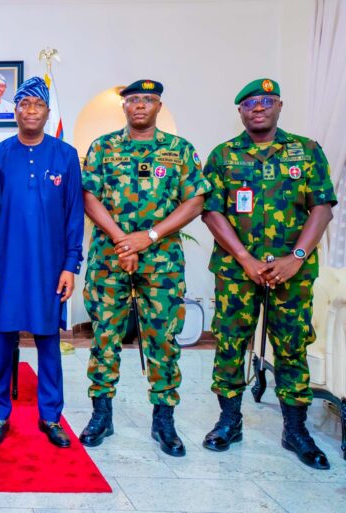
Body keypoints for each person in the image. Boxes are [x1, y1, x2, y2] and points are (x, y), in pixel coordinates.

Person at [201, 78, 336, 470]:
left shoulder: (306, 150)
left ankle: (295, 430)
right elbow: (212, 211)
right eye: (249, 103)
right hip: (235, 270)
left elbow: (322, 206)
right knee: (229, 344)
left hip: (290, 272)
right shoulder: (224, 155)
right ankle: (229, 420)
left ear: (279, 105)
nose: (258, 108)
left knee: (292, 347)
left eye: (265, 101)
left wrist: (296, 257)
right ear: (240, 111)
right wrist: (244, 258)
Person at [79, 79, 210, 457]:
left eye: (148, 100)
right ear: (124, 107)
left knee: (163, 338)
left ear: (158, 106)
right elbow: (89, 196)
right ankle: (101, 415)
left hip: (162, 261)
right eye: (133, 100)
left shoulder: (179, 150)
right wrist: (125, 239)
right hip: (110, 257)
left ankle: (163, 420)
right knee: (105, 336)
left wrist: (148, 237)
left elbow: (196, 200)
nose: (140, 106)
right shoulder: (103, 147)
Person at [0, 77, 83, 448]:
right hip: (6, 267)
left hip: (48, 267)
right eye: (23, 105)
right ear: (14, 112)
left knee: (48, 342)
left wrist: (70, 265)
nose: (30, 111)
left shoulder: (65, 155)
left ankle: (51, 417)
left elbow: (74, 214)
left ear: (47, 112)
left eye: (37, 105)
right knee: (2, 341)